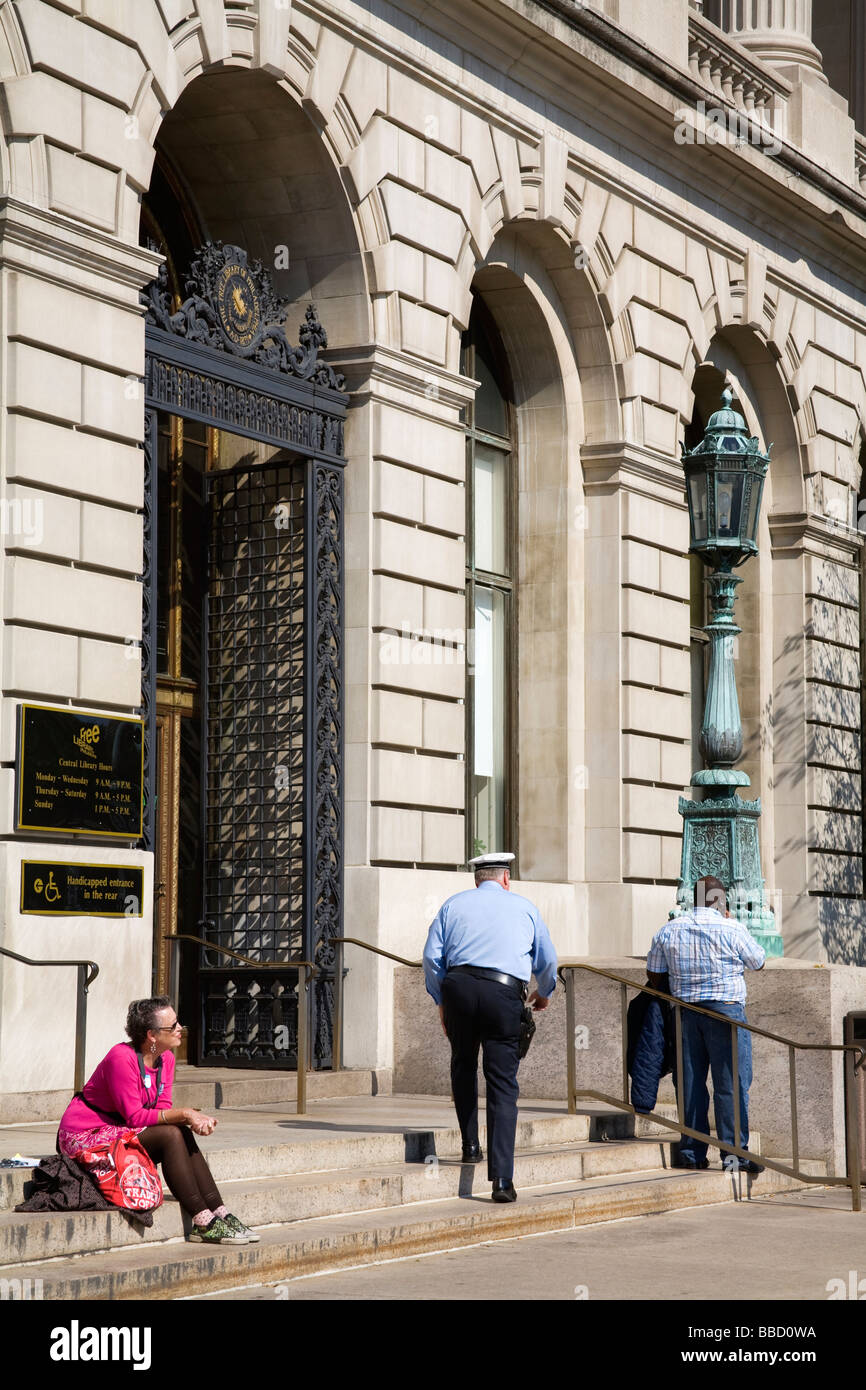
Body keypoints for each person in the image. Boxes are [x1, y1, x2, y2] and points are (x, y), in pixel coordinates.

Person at [58, 996, 258, 1243]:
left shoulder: (167, 1059)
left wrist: (189, 1121)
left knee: (180, 1132)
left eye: (178, 1023)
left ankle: (220, 1212)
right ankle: (202, 1220)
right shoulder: (121, 1058)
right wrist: (186, 1114)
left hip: (120, 1129)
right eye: (172, 1026)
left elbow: (162, 1108)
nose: (180, 1029)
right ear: (152, 1035)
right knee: (172, 1133)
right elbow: (135, 1116)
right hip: (85, 1134)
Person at [423, 851, 558, 1203]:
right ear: (506, 878)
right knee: (502, 1083)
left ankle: (470, 1145)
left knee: (463, 1063)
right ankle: (501, 1180)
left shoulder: (453, 905)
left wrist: (441, 998)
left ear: (476, 879)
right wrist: (543, 992)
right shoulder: (525, 907)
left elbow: (431, 958)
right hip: (503, 993)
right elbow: (547, 961)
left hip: (459, 989)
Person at [646, 876, 765, 1173]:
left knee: (690, 1084)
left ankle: (691, 1152)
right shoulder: (732, 928)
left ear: (694, 900)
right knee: (731, 1085)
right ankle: (734, 1155)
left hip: (685, 1013)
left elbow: (654, 974)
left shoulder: (669, 930)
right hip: (726, 1014)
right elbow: (758, 961)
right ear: (721, 901)